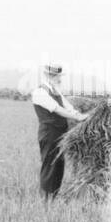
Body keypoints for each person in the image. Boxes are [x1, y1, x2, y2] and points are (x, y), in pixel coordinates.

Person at [31, 64, 88, 198]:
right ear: (47, 76)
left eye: (58, 76)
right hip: (49, 133)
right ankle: (45, 198)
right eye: (55, 76)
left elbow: (67, 106)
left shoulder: (56, 91)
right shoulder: (40, 92)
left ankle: (54, 196)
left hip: (61, 133)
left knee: (59, 166)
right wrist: (77, 117)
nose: (58, 79)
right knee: (49, 165)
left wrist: (78, 114)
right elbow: (57, 109)